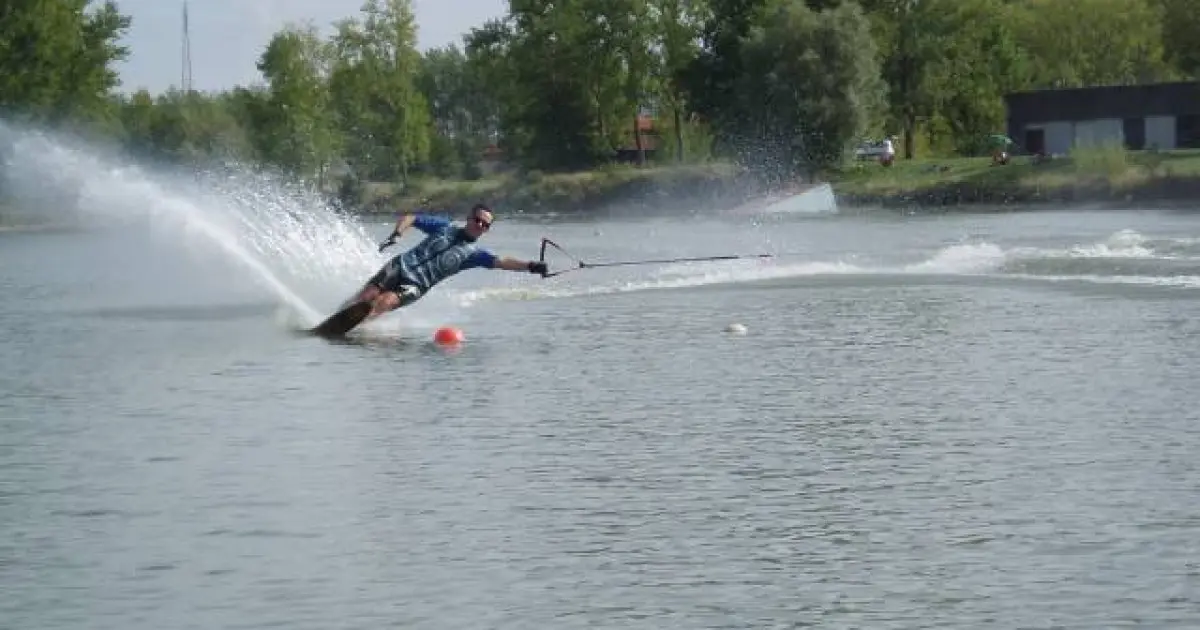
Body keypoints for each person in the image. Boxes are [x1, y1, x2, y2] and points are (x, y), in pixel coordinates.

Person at [347, 203, 547, 322]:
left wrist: (530, 266)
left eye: (485, 225)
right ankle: (339, 315)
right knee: (368, 295)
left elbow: (502, 261)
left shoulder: (473, 254)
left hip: (416, 285)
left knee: (386, 301)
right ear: (469, 218)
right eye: (477, 220)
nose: (480, 225)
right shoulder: (444, 227)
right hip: (400, 266)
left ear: (486, 230)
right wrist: (397, 234)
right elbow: (411, 218)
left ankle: (355, 325)